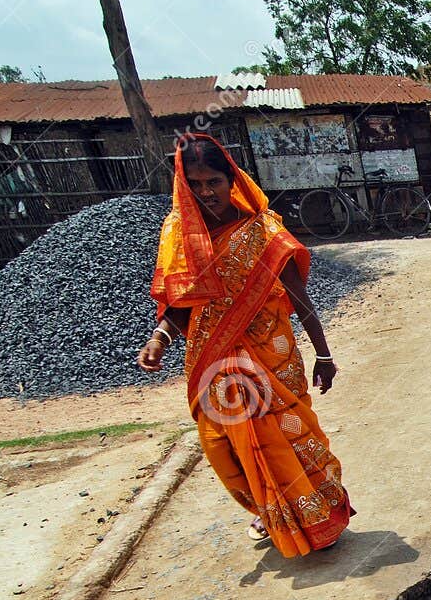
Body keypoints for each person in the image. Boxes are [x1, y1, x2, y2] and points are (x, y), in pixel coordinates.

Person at [138, 133, 352, 557]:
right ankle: (271, 509)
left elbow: (299, 296)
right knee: (222, 447)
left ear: (230, 178)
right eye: (195, 184)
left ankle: (317, 514)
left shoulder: (262, 231)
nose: (206, 193)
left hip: (270, 354)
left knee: (284, 438)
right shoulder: (181, 234)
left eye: (213, 181)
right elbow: (182, 302)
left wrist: (324, 354)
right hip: (214, 360)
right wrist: (159, 336)